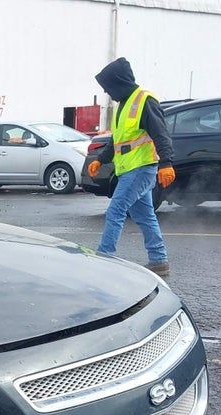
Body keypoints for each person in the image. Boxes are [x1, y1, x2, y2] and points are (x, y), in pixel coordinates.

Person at [88, 57, 176, 277]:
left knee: (115, 211)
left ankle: (104, 258)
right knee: (145, 216)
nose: (107, 92)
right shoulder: (123, 105)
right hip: (130, 169)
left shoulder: (144, 101)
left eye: (108, 87)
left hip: (141, 168)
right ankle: (159, 260)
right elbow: (117, 140)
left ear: (118, 82)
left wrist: (166, 163)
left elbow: (161, 134)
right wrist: (101, 159)